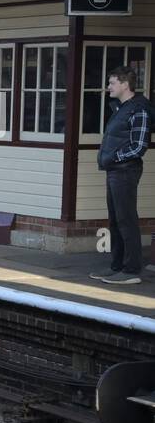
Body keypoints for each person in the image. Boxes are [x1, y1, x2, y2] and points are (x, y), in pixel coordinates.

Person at [90, 65, 151, 285]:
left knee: (126, 219)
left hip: (126, 170)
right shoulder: (121, 108)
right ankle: (117, 266)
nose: (108, 87)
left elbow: (139, 146)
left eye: (112, 83)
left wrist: (114, 157)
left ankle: (132, 269)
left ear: (125, 85)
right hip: (115, 170)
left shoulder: (139, 109)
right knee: (115, 220)